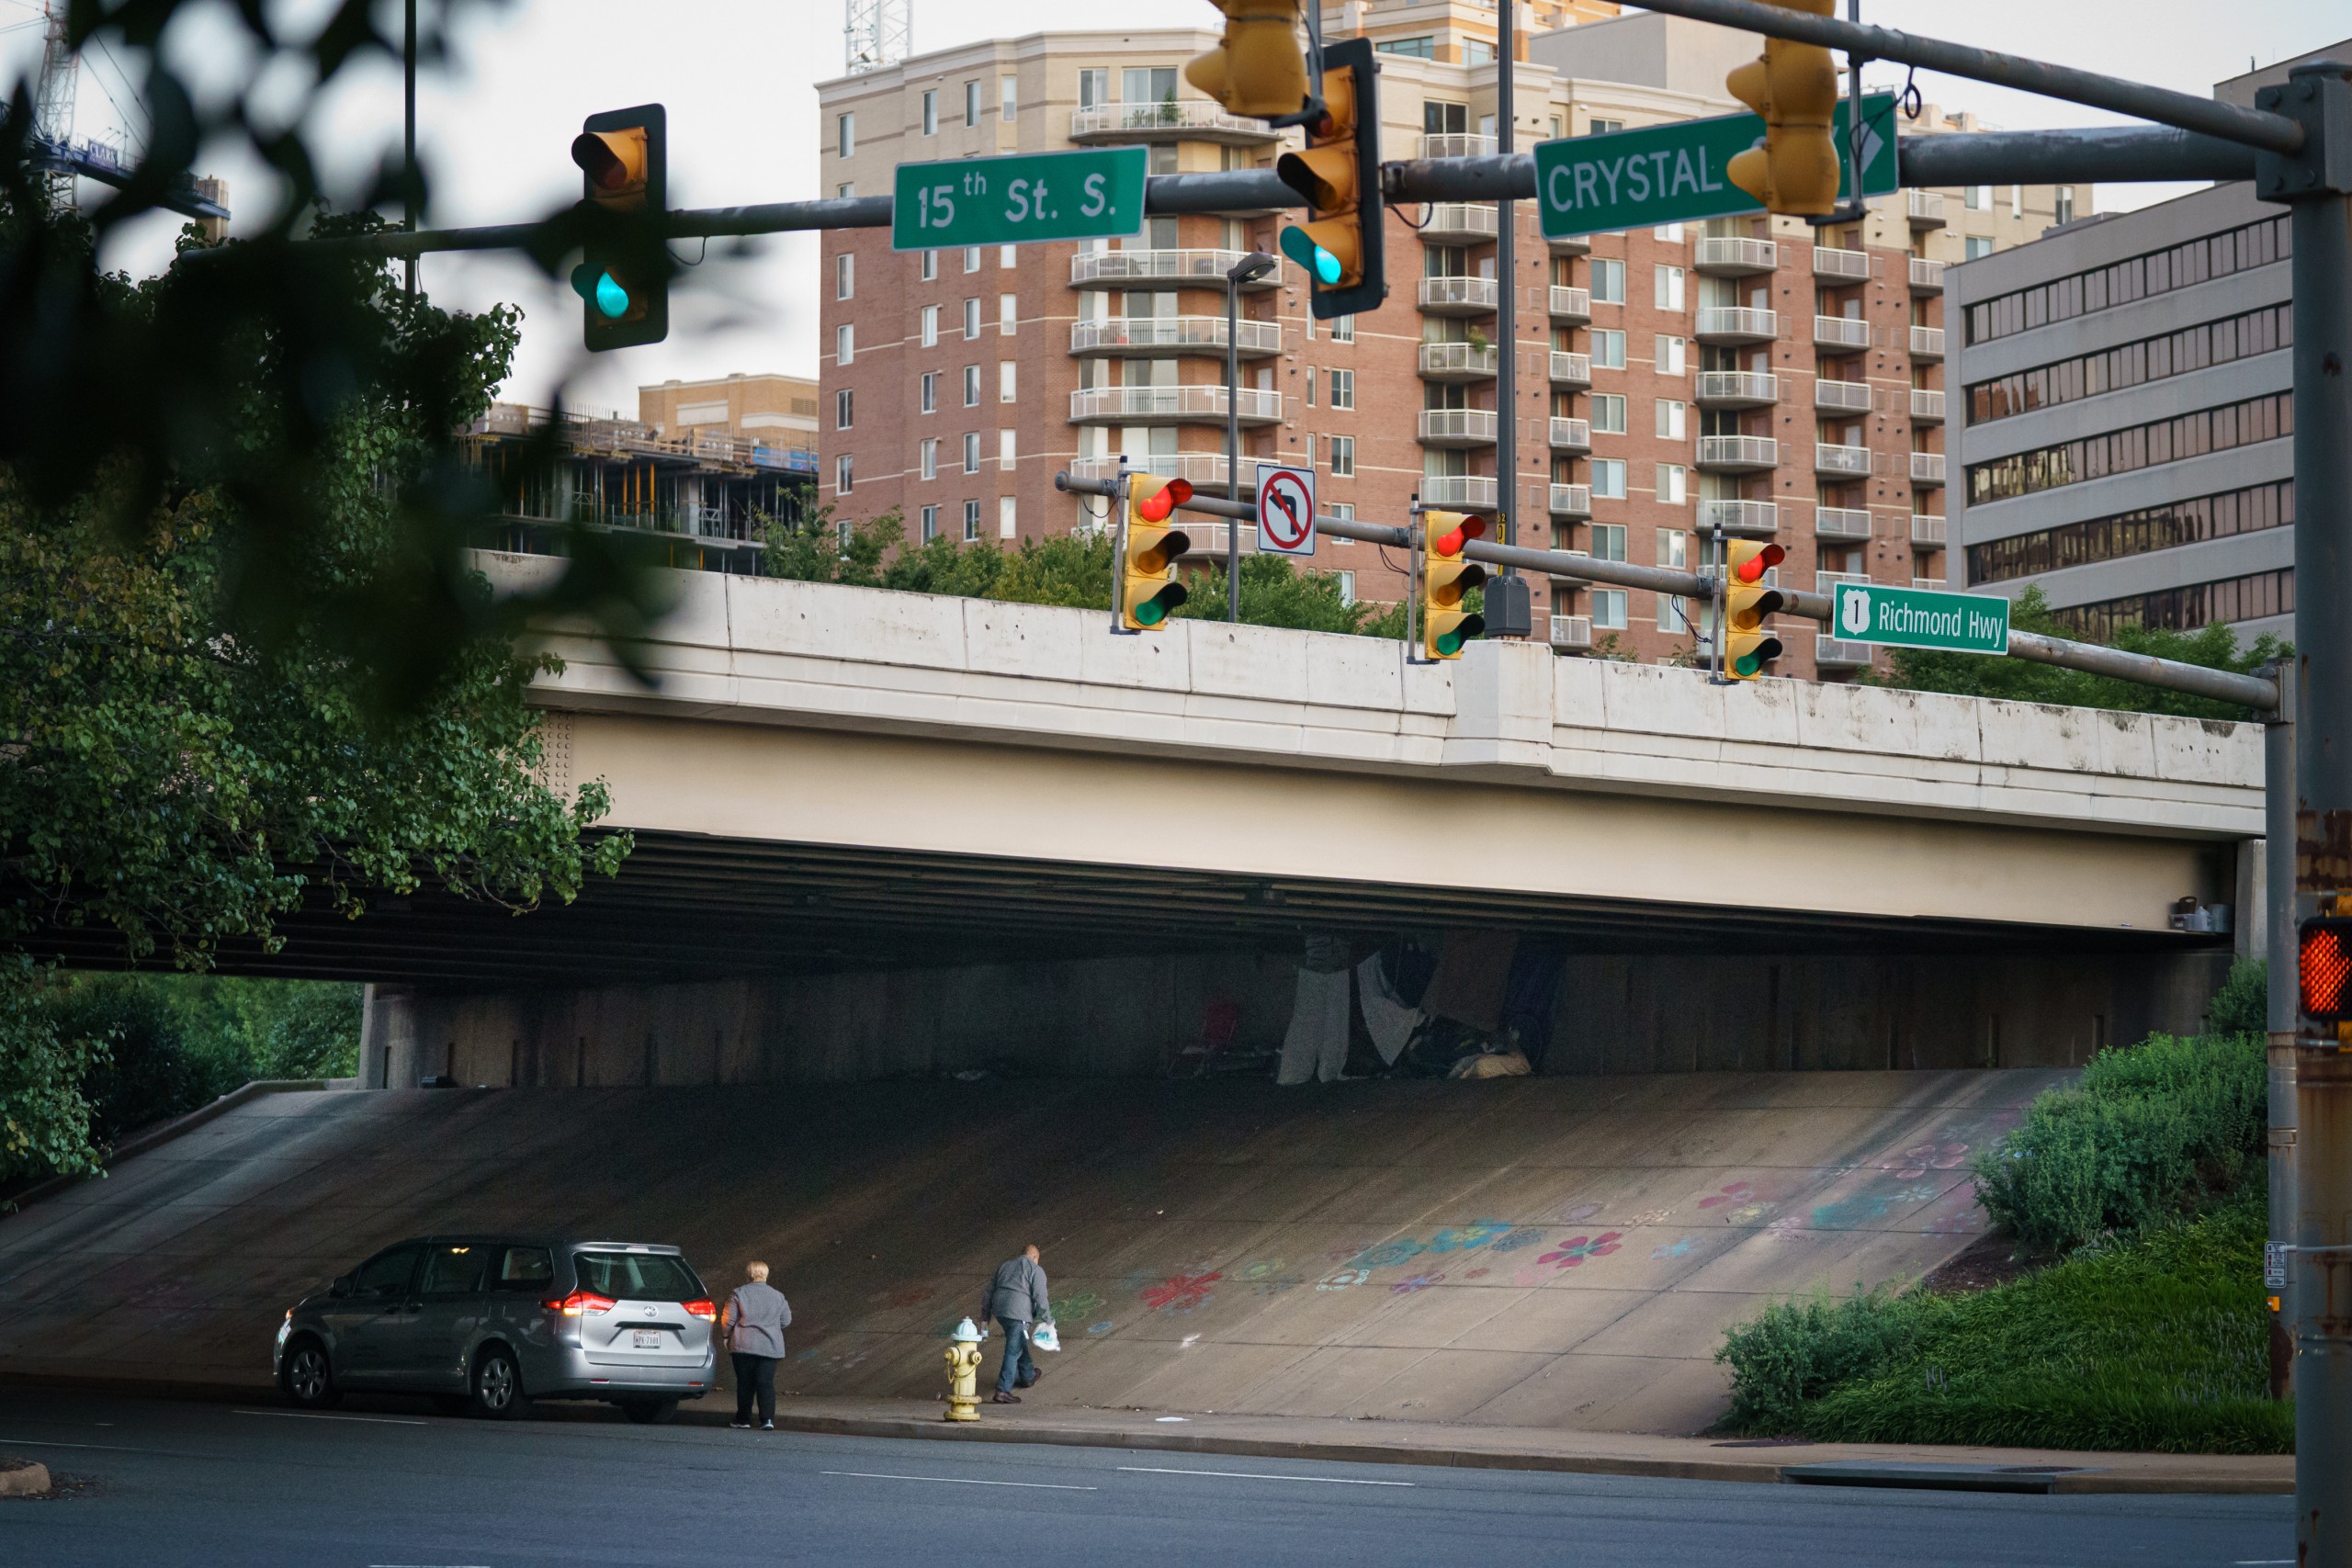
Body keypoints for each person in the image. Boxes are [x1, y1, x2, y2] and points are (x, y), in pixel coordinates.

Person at [719, 1260, 790, 1430]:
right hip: (770, 1346)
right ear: (766, 1274)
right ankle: (767, 1420)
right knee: (766, 1383)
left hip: (744, 1344)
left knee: (745, 1383)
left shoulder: (738, 1293)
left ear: (748, 1274)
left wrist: (726, 1336)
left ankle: (743, 1419)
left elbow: (729, 1320)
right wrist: (771, 1327)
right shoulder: (778, 1296)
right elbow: (786, 1320)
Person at [978, 1244, 1052, 1404]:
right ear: (1035, 1257)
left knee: (1018, 1341)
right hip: (1019, 1314)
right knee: (1013, 1350)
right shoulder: (1035, 1269)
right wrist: (1048, 1321)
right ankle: (1003, 1390)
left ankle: (1028, 1376)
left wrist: (985, 1318)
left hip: (1001, 1311)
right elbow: (1040, 1296)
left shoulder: (1005, 1266)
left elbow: (988, 1292)